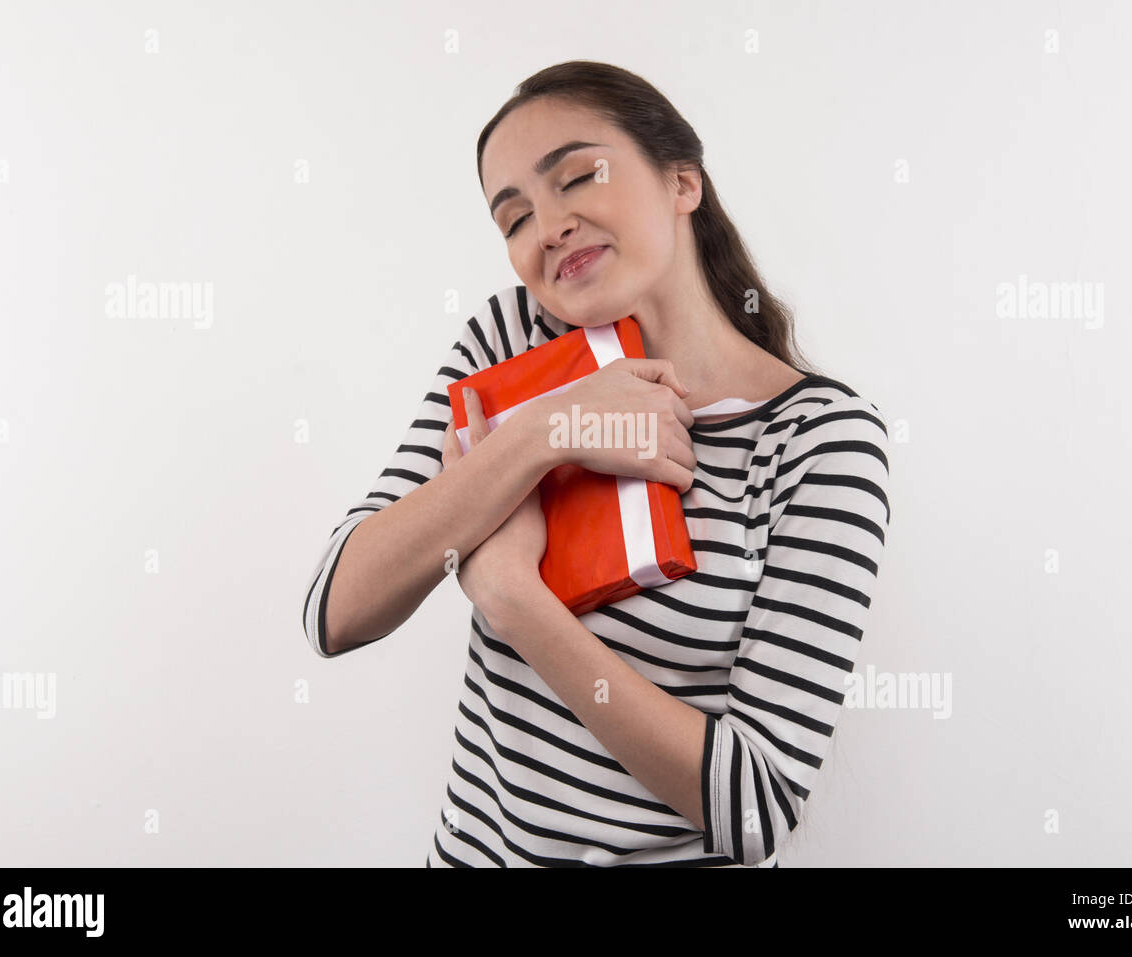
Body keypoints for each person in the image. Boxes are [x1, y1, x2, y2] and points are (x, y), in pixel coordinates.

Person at [301, 60, 892, 867]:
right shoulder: (511, 343)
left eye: (579, 175)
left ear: (682, 181)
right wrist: (546, 431)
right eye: (513, 219)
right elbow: (334, 607)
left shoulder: (820, 440)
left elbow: (755, 805)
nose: (547, 227)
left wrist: (516, 601)